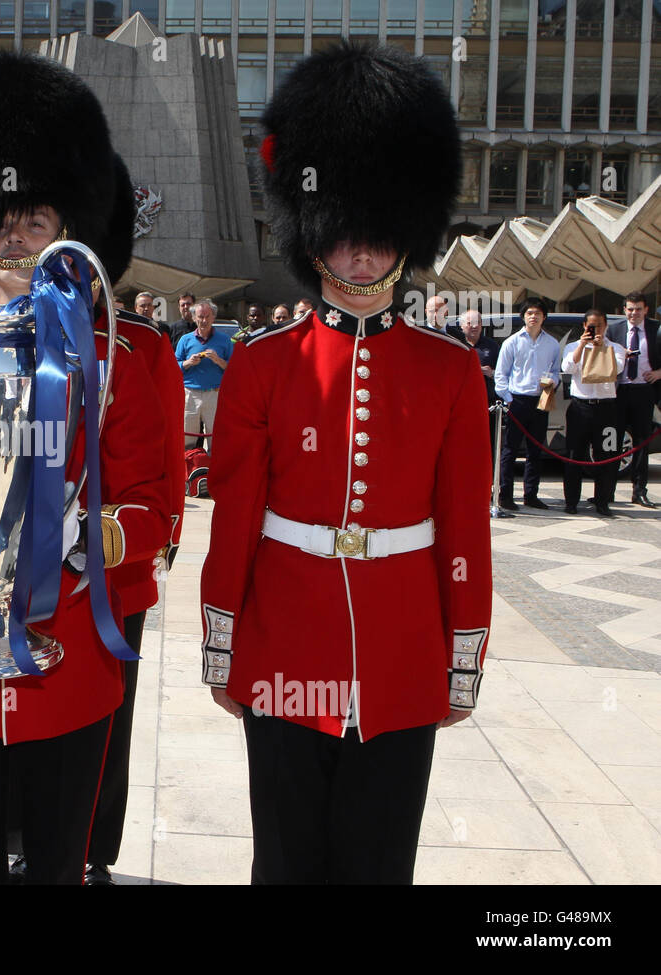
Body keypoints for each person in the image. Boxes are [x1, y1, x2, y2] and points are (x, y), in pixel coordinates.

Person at [202, 41, 491, 884]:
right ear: (313, 239)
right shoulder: (263, 363)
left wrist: (463, 649)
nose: (360, 260)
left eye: (376, 240)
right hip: (285, 642)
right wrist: (224, 641)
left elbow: (465, 521)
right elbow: (237, 515)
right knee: (286, 861)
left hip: (404, 652)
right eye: (342, 241)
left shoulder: (449, 370)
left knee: (378, 862)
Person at [0, 49, 172, 885]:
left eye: (36, 221)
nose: (16, 240)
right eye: (1, 223)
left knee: (60, 865)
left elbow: (154, 505)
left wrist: (83, 540)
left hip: (72, 656)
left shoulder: (125, 355)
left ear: (70, 231)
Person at [83, 159, 185, 885]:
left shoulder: (143, 345)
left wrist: (156, 542)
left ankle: (91, 849)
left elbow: (169, 459)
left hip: (114, 570)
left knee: (107, 720)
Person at [494, 296, 562, 511]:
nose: (534, 317)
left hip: (540, 400)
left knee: (536, 450)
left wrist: (553, 381)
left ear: (544, 317)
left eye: (538, 314)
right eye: (530, 313)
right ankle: (505, 495)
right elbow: (501, 375)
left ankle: (531, 494)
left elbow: (555, 370)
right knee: (510, 450)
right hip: (517, 400)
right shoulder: (511, 342)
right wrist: (509, 400)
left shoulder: (551, 344)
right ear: (523, 316)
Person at [562, 310, 626, 516]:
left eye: (599, 325)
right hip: (580, 407)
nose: (595, 329)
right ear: (584, 326)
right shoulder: (573, 346)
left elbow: (616, 369)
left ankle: (602, 501)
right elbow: (568, 367)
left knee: (606, 455)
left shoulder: (615, 348)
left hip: (607, 408)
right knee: (574, 455)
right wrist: (583, 345)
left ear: (606, 326)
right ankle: (571, 501)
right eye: (591, 325)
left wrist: (601, 348)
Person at [606, 292, 661, 507]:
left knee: (641, 441)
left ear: (646, 310)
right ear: (624, 310)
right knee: (612, 441)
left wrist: (658, 373)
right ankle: (606, 491)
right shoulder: (615, 329)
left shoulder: (656, 329)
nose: (634, 313)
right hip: (618, 391)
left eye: (638, 309)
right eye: (630, 309)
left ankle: (639, 490)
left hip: (644, 390)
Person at [175, 299, 233, 449]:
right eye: (200, 317)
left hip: (215, 394)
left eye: (207, 316)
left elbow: (234, 369)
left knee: (217, 439)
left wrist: (218, 360)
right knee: (187, 439)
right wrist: (188, 363)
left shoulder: (225, 340)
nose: (204, 320)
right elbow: (174, 366)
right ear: (194, 318)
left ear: (213, 317)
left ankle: (216, 471)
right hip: (190, 395)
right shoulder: (185, 340)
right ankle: (189, 469)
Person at [457, 309, 501, 459]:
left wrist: (491, 373)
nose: (474, 326)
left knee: (487, 444)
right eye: (470, 323)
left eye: (478, 323)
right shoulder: (455, 344)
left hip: (487, 404)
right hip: (460, 404)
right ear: (462, 326)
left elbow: (502, 373)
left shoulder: (492, 346)